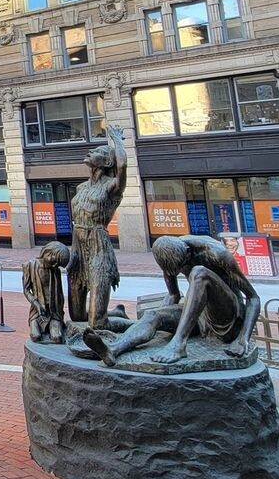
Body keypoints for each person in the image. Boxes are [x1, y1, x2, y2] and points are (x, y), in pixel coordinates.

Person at [83, 234, 260, 367]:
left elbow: (253, 298)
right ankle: (113, 349)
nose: (179, 270)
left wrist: (242, 339)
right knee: (153, 314)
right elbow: (173, 295)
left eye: (182, 266)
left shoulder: (217, 254)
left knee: (199, 273)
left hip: (226, 318)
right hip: (198, 316)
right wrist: (158, 321)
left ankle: (178, 344)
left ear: (188, 252)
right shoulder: (168, 258)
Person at [68, 125, 127, 331]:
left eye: (96, 152)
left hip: (98, 247)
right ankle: (115, 312)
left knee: (96, 323)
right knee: (76, 315)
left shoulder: (112, 187)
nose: (90, 153)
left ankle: (129, 325)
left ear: (107, 161)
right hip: (77, 246)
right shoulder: (81, 188)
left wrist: (117, 140)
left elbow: (123, 167)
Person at [22, 241, 70, 343]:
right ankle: (37, 325)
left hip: (53, 312)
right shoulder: (29, 266)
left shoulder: (55, 271)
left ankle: (55, 329)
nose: (55, 265)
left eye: (58, 264)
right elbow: (26, 290)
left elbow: (59, 294)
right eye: (54, 261)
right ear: (47, 252)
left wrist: (59, 314)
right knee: (35, 336)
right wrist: (37, 305)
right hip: (37, 311)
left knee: (57, 338)